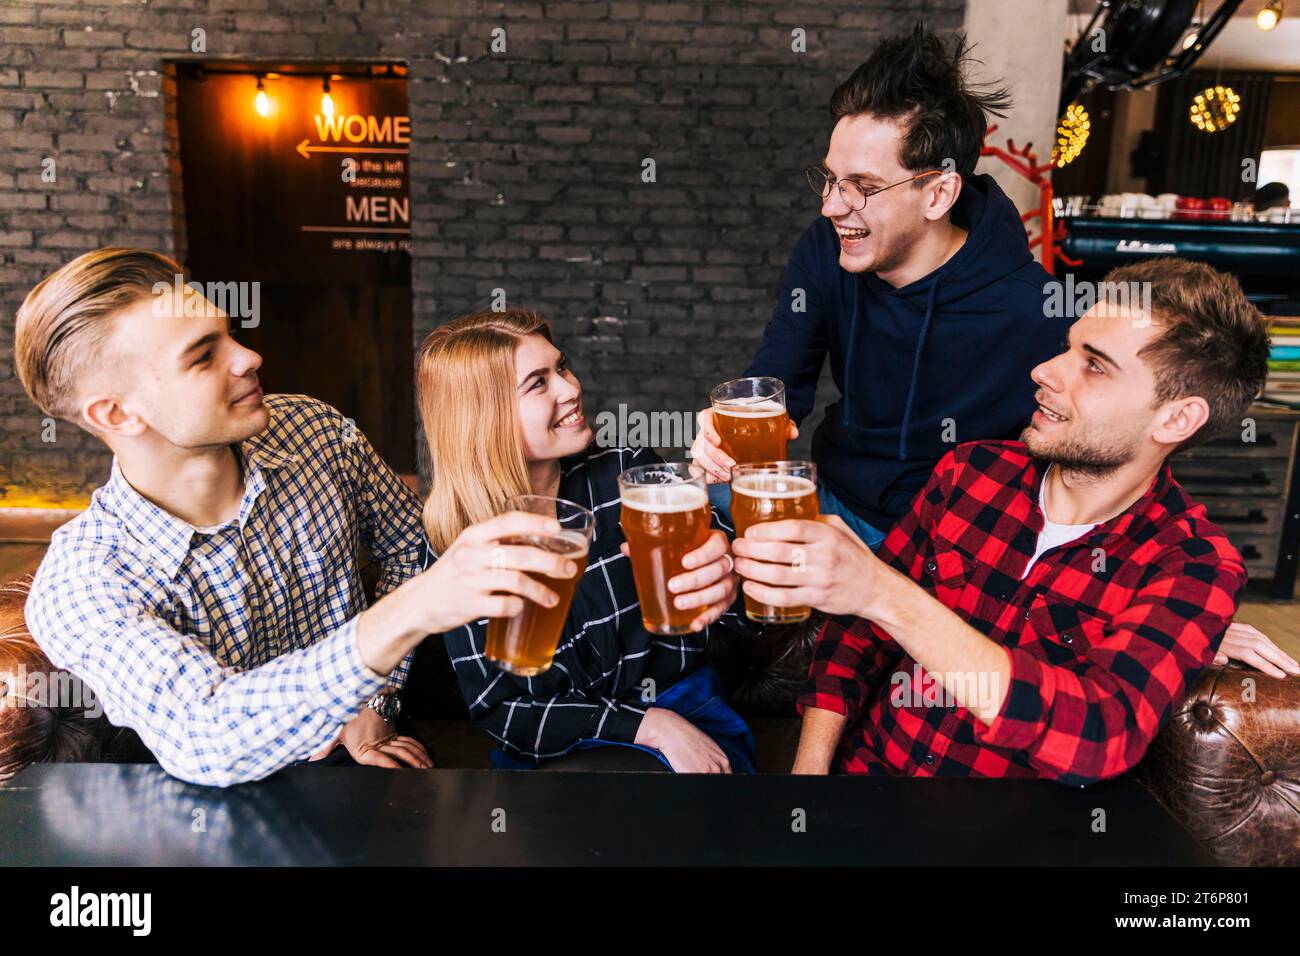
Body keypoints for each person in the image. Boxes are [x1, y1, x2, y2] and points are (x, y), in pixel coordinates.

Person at [15, 248, 576, 787]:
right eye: (203, 355)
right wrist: (408, 614)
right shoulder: (82, 580)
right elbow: (206, 736)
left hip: (368, 758)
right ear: (115, 412)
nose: (248, 357)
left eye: (228, 333)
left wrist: (377, 699)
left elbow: (408, 547)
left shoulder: (315, 432)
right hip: (215, 812)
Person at [731, 257, 1298, 784]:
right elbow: (855, 641)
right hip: (865, 789)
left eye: (1094, 366)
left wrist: (882, 592)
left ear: (1177, 419)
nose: (1045, 370)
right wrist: (809, 779)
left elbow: (1098, 735)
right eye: (1068, 347)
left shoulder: (1193, 564)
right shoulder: (969, 471)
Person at [692, 24, 1069, 549]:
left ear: (938, 194)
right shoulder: (825, 249)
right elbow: (777, 386)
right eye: (828, 179)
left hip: (953, 546)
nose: (830, 206)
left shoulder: (1038, 311)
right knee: (687, 501)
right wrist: (723, 438)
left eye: (862, 187)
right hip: (835, 504)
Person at [409, 308, 755, 773]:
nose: (571, 389)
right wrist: (645, 725)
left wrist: (727, 570)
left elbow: (744, 617)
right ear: (483, 416)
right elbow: (502, 709)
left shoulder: (629, 475)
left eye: (562, 367)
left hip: (686, 716)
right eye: (538, 383)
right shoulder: (457, 538)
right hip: (558, 752)